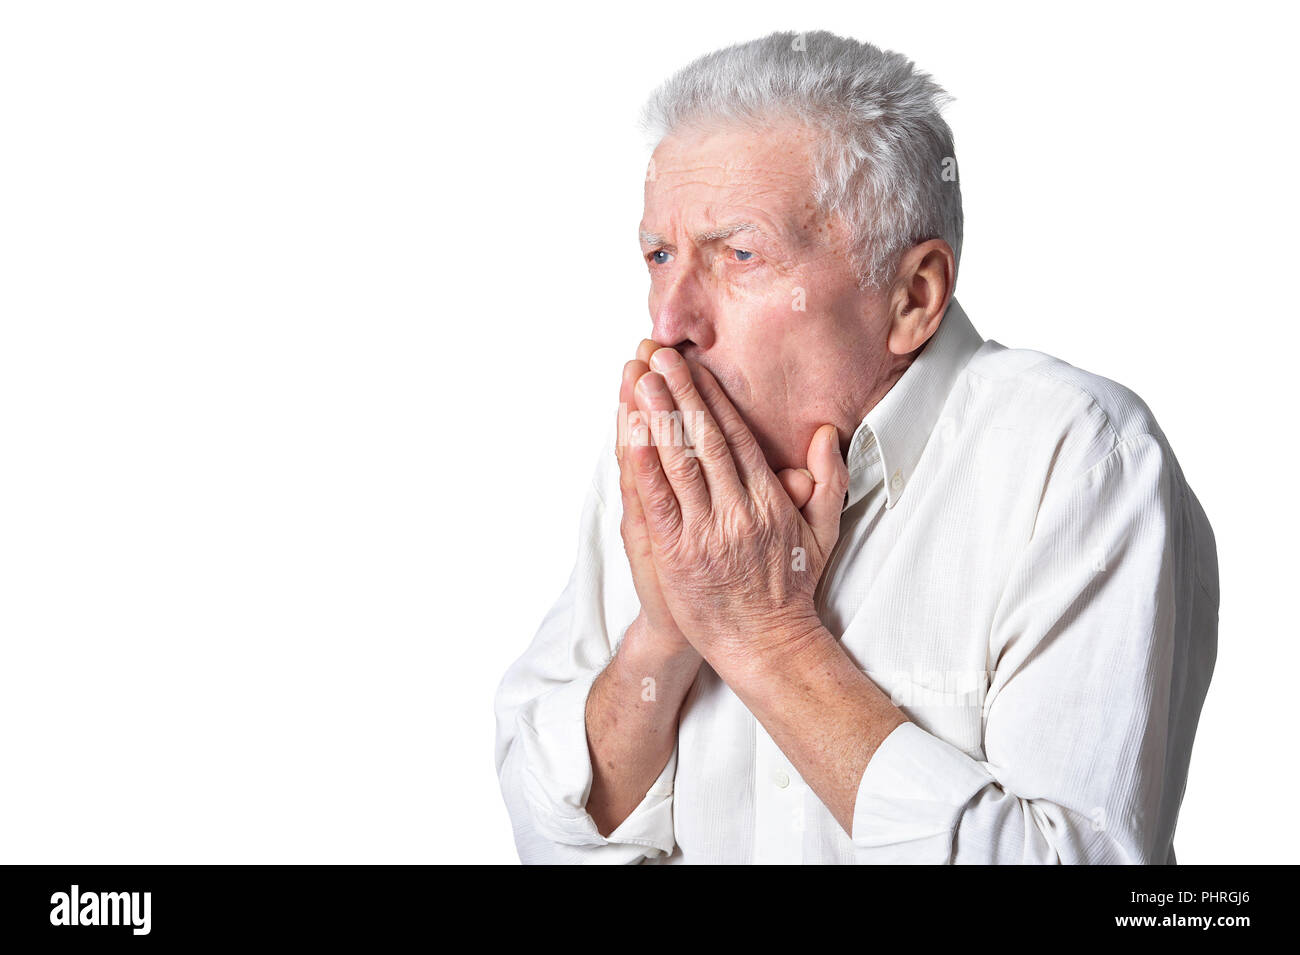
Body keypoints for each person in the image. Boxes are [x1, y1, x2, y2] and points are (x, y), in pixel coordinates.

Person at [493, 29, 1218, 864]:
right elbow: (548, 834)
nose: (669, 323)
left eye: (739, 253)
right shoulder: (670, 460)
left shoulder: (1079, 460)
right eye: (660, 255)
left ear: (913, 295)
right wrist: (667, 631)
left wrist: (766, 636)